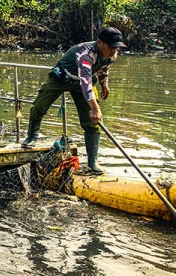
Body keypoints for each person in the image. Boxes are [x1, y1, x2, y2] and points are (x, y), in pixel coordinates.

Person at [21, 27, 127, 174]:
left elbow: (104, 67)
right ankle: (31, 136)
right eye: (111, 47)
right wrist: (95, 108)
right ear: (100, 43)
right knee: (40, 106)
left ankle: (92, 161)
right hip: (62, 77)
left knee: (92, 122)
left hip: (83, 82)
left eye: (117, 48)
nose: (114, 51)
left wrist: (104, 84)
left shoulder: (111, 54)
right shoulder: (86, 54)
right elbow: (86, 82)